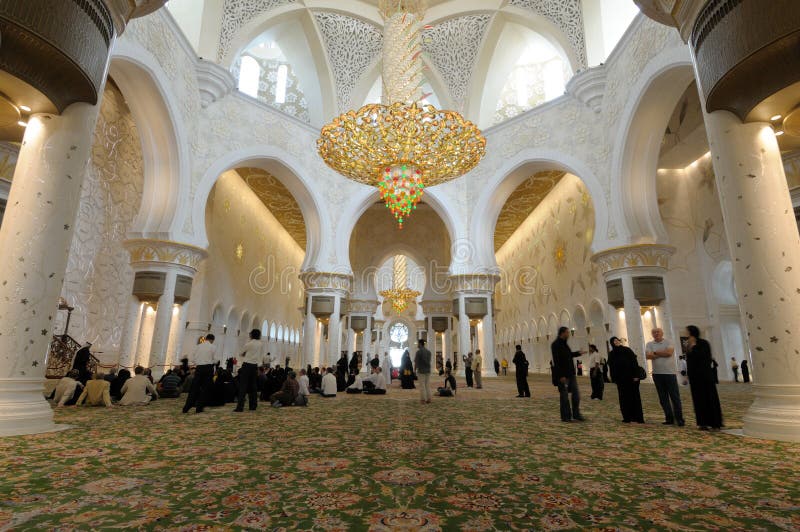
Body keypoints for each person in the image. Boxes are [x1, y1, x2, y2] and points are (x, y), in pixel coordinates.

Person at [685, 325, 723, 430]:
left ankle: (715, 423)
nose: (686, 334)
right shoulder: (688, 345)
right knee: (698, 399)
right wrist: (688, 375)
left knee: (709, 398)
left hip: (705, 376)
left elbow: (703, 357)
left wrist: (693, 346)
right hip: (694, 378)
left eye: (687, 332)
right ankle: (703, 422)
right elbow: (690, 361)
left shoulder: (703, 343)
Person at [645, 328, 684, 426]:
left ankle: (679, 419)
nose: (656, 333)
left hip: (670, 373)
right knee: (663, 398)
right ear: (652, 334)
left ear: (662, 333)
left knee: (675, 397)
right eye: (654, 332)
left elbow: (669, 353)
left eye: (658, 332)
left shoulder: (668, 342)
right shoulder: (649, 344)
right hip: (657, 374)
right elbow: (648, 356)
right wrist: (661, 352)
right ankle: (669, 419)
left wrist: (655, 353)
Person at [551, 327, 586, 422]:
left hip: (571, 373)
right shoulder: (556, 345)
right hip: (563, 375)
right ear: (562, 333)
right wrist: (561, 375)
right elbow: (556, 361)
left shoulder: (564, 344)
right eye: (567, 332)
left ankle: (576, 414)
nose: (568, 334)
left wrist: (578, 353)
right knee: (564, 397)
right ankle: (566, 416)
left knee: (576, 395)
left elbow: (568, 355)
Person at [608, 337, 644, 423]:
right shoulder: (612, 354)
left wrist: (636, 375)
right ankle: (627, 417)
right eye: (614, 341)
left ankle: (638, 418)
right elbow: (611, 367)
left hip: (632, 378)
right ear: (612, 343)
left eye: (617, 340)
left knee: (635, 397)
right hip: (621, 380)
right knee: (623, 398)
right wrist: (614, 378)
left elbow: (634, 362)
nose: (616, 342)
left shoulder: (627, 350)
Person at [183, 333, 218, 414]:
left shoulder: (198, 346)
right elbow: (216, 360)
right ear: (212, 340)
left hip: (199, 368)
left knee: (194, 388)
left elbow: (191, 358)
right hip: (208, 368)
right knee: (205, 389)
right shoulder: (213, 347)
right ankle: (199, 407)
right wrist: (211, 362)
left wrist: (199, 362)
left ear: (206, 339)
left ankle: (187, 407)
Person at [235, 329, 264, 412]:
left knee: (243, 386)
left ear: (251, 335)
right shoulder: (261, 344)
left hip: (247, 365)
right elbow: (260, 356)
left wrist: (245, 354)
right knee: (253, 386)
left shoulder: (249, 344)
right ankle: (253, 406)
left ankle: (240, 407)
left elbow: (241, 353)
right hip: (255, 366)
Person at [414, 339, 432, 404]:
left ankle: (423, 399)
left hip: (421, 371)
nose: (417, 345)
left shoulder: (418, 352)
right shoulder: (428, 352)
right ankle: (429, 398)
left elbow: (416, 362)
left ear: (420, 344)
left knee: (422, 386)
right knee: (427, 385)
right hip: (428, 370)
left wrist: (414, 370)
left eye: (418, 343)